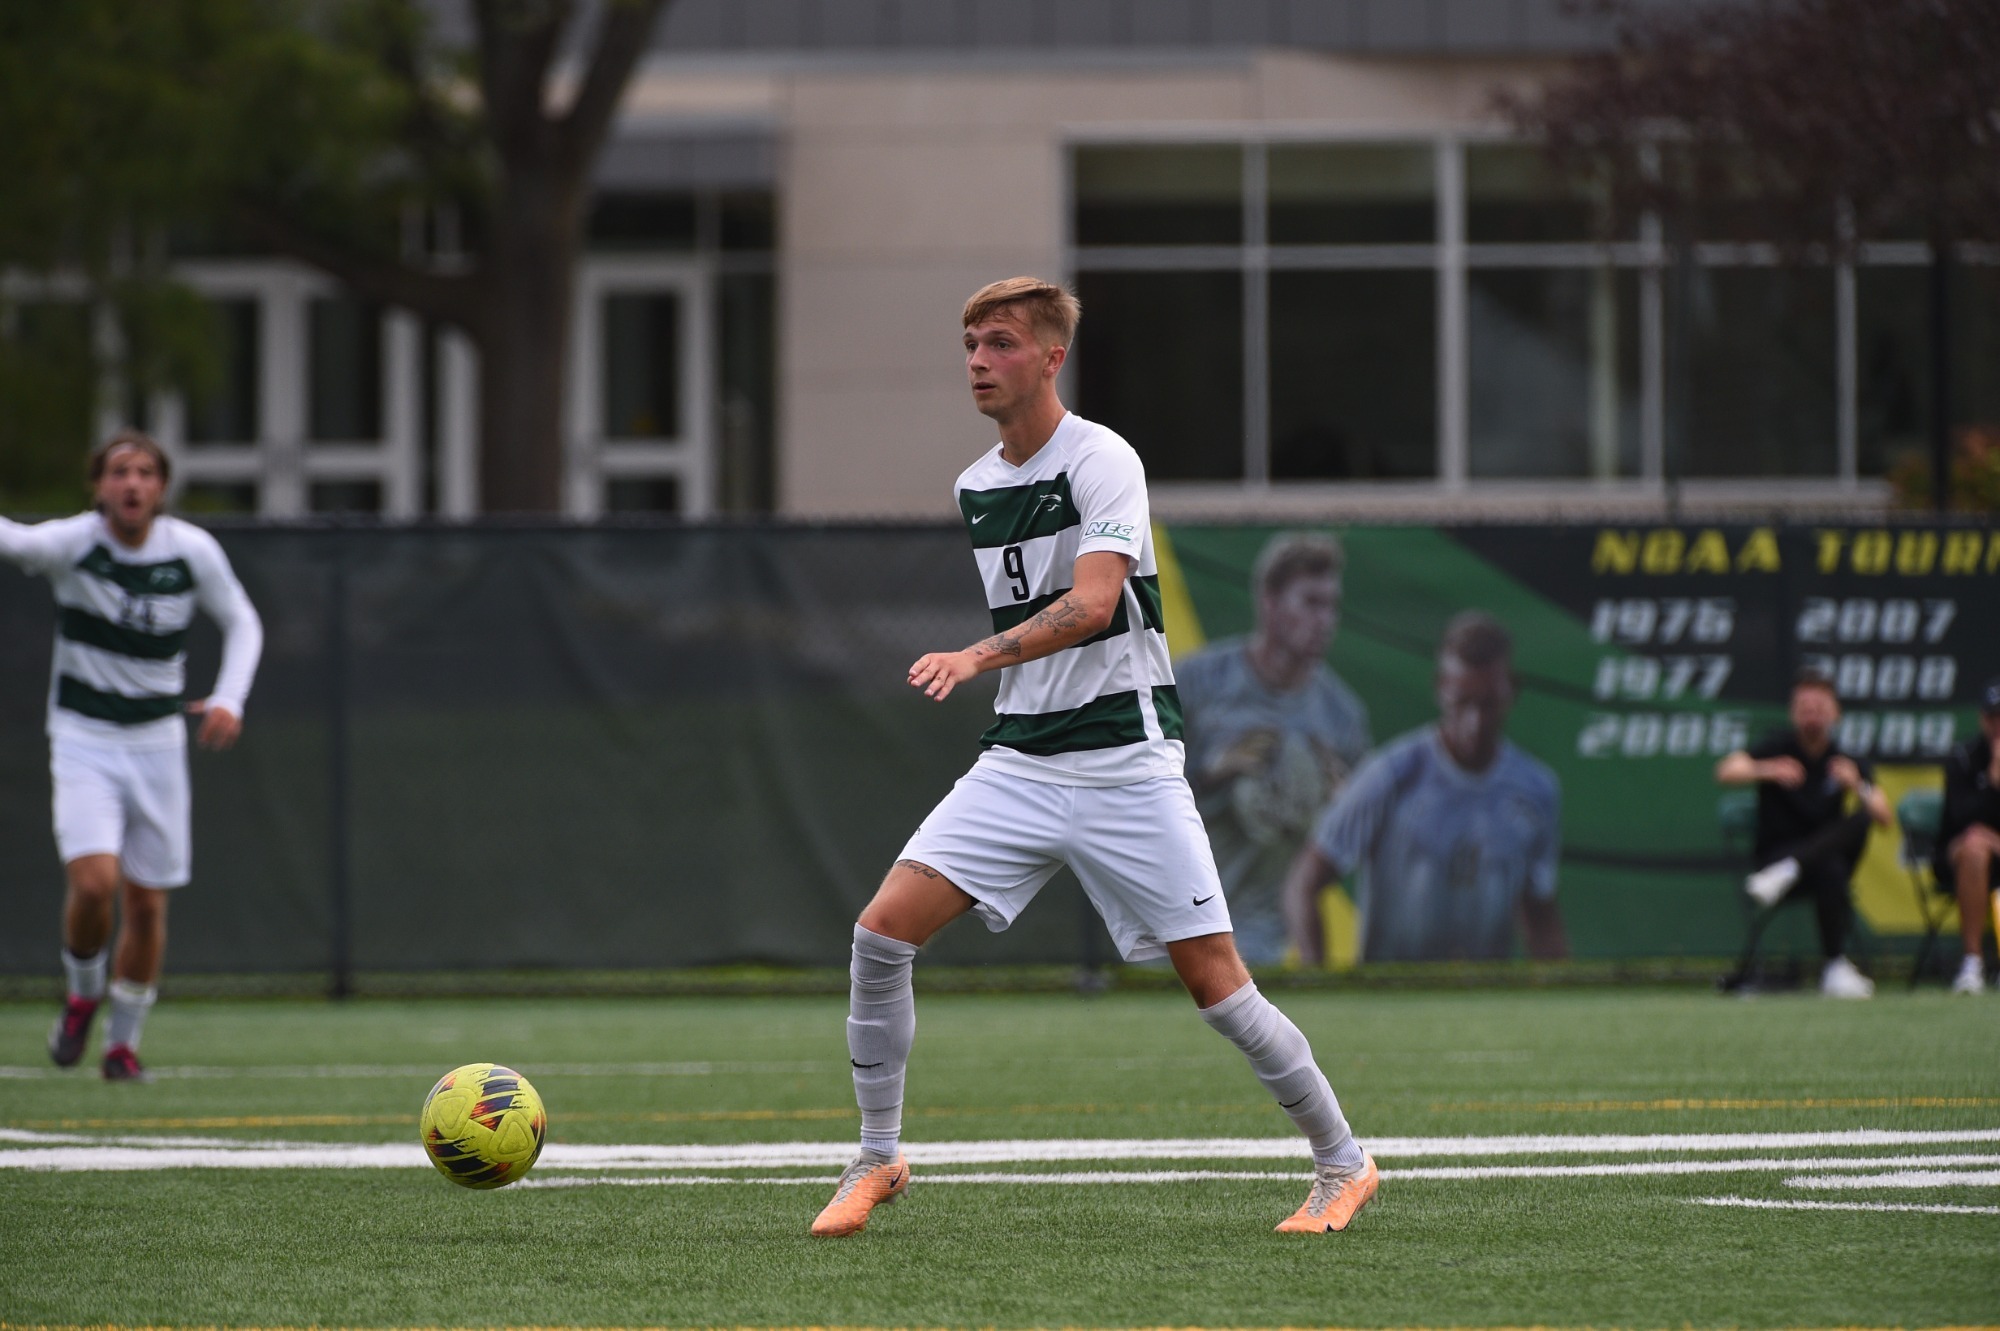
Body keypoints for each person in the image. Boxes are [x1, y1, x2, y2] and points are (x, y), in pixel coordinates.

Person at [809, 277, 1377, 1239]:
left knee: (1219, 986)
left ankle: (1344, 1163)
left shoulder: (1105, 457)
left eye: (997, 343)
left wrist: (974, 655)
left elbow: (1097, 603)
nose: (977, 362)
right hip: (1022, 762)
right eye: (970, 345)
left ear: (1048, 357)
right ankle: (878, 1155)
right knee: (880, 935)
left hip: (1126, 761)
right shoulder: (976, 485)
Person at [0, 430, 263, 1079]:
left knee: (147, 903)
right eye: (120, 471)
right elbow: (15, 540)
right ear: (99, 487)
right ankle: (83, 991)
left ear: (161, 488)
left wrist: (229, 696)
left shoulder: (191, 550)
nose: (133, 483)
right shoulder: (73, 544)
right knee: (95, 884)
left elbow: (242, 621)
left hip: (157, 744)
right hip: (85, 740)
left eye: (146, 472)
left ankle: (121, 1046)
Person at [1281, 612, 1566, 965]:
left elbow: (1540, 915)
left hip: (1489, 1006)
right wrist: (1317, 981)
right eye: (1462, 702)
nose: (1474, 722)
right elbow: (1303, 883)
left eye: (1488, 703)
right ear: (1441, 687)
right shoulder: (1390, 775)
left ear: (1512, 689)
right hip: (1391, 1001)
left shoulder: (1537, 789)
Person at [1177, 532, 1371, 965]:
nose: (1325, 619)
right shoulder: (1196, 684)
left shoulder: (1342, 716)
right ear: (1269, 600)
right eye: (1311, 603)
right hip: (1174, 917)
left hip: (1266, 939)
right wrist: (1208, 776)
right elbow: (1128, 791)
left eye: (1332, 606)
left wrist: (1344, 808)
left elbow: (1363, 841)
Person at [1715, 669, 1891, 999]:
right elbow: (1725, 771)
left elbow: (1885, 816)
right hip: (1773, 858)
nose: (1812, 714)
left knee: (1854, 830)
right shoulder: (1777, 746)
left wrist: (1857, 784)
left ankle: (1833, 967)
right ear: (1794, 713)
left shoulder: (1844, 758)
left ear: (1834, 713)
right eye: (1804, 707)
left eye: (1819, 707)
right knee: (1830, 868)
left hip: (1802, 872)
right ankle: (1835, 963)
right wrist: (1767, 769)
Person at [1932, 677, 2000, 995]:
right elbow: (1961, 818)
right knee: (1974, 847)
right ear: (1982, 718)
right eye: (1992, 717)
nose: (1998, 725)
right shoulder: (1963, 758)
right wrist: (1992, 781)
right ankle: (1972, 963)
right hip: (1961, 857)